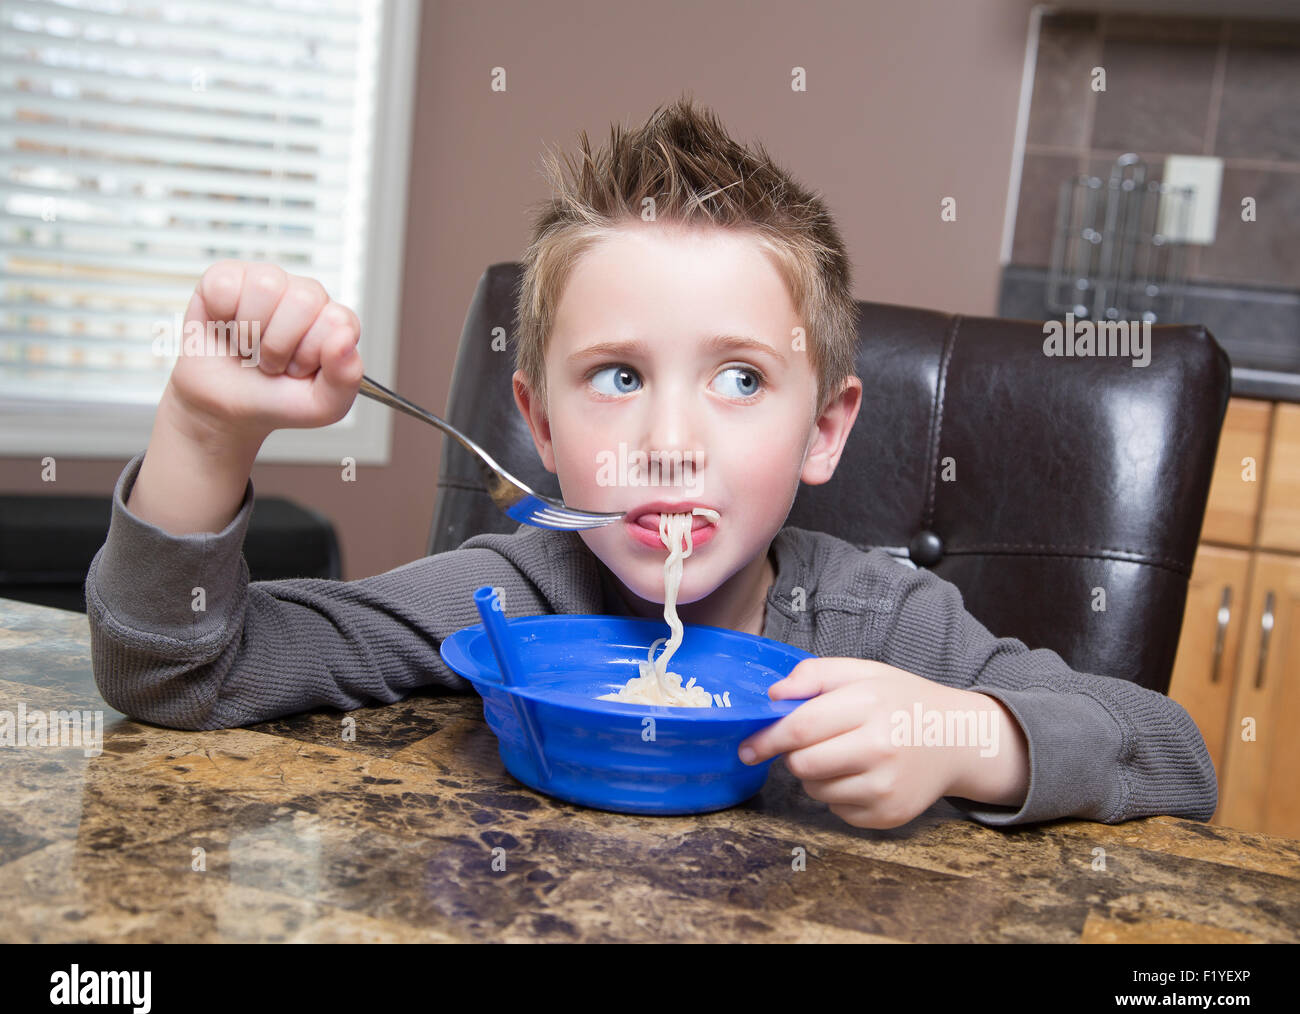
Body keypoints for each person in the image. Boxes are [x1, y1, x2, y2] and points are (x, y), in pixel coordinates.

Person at [86, 95, 1217, 830]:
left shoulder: (889, 625)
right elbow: (185, 673)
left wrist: (976, 735)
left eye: (739, 378)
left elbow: (1175, 756)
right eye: (619, 376)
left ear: (824, 428)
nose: (671, 441)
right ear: (535, 420)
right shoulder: (509, 594)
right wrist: (204, 432)